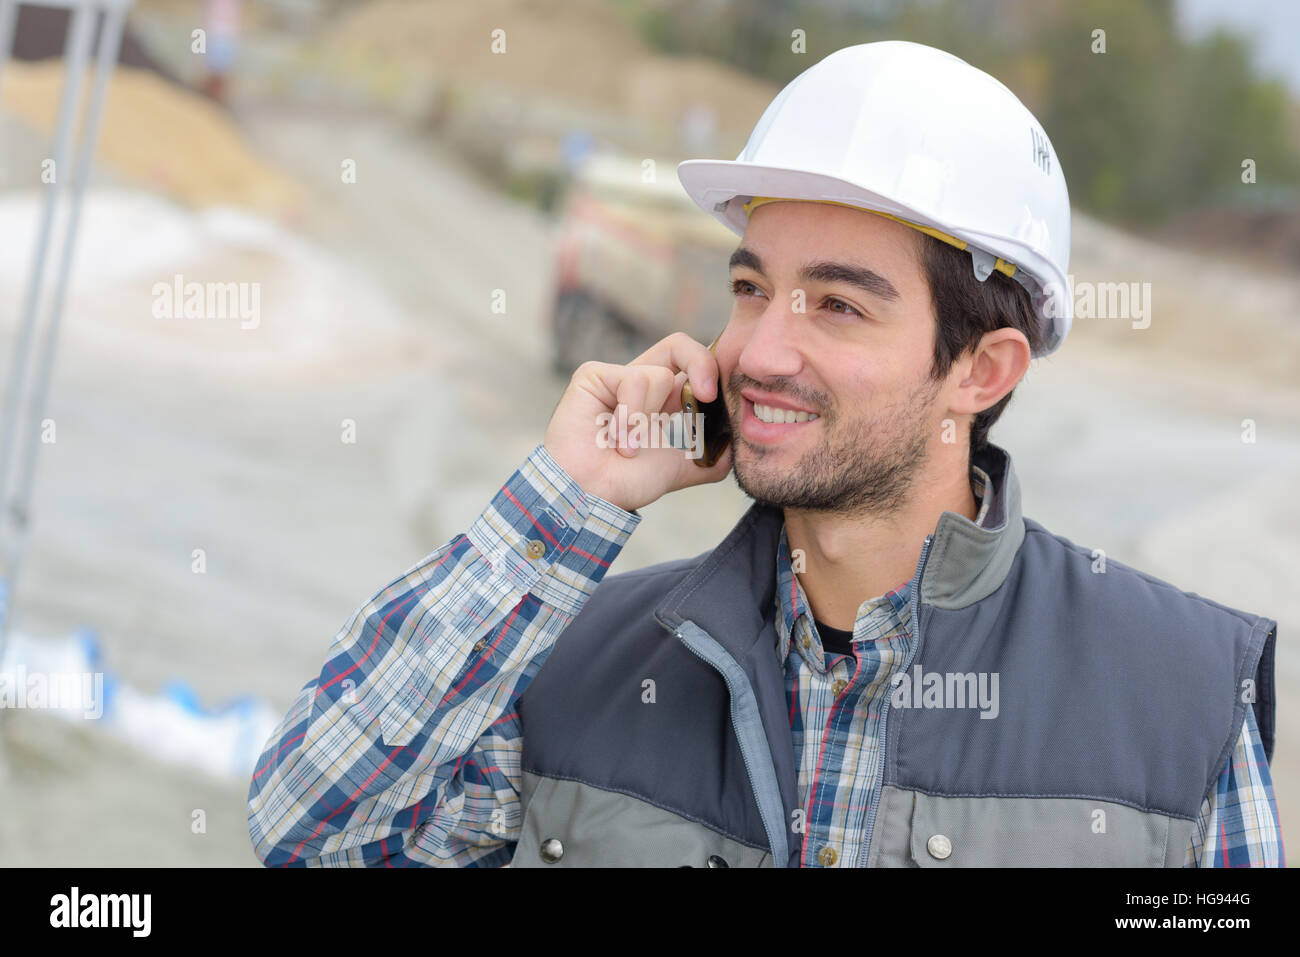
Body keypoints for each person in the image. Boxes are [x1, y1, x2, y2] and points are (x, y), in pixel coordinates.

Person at [246, 41, 1281, 867]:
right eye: (751, 289)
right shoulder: (566, 663)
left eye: (835, 304)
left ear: (982, 370)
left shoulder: (1178, 704)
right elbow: (311, 833)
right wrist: (570, 499)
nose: (758, 350)